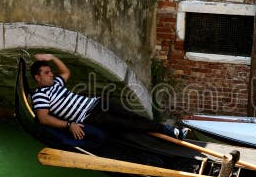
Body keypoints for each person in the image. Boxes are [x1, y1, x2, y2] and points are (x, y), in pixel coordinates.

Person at [30, 53, 187, 145]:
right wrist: (69, 124)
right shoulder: (40, 95)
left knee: (132, 116)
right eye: (46, 72)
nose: (51, 74)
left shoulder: (56, 83)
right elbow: (44, 118)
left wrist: (51, 57)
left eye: (50, 71)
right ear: (37, 78)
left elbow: (66, 72)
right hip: (90, 116)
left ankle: (166, 130)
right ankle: (168, 131)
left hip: (98, 102)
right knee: (128, 123)